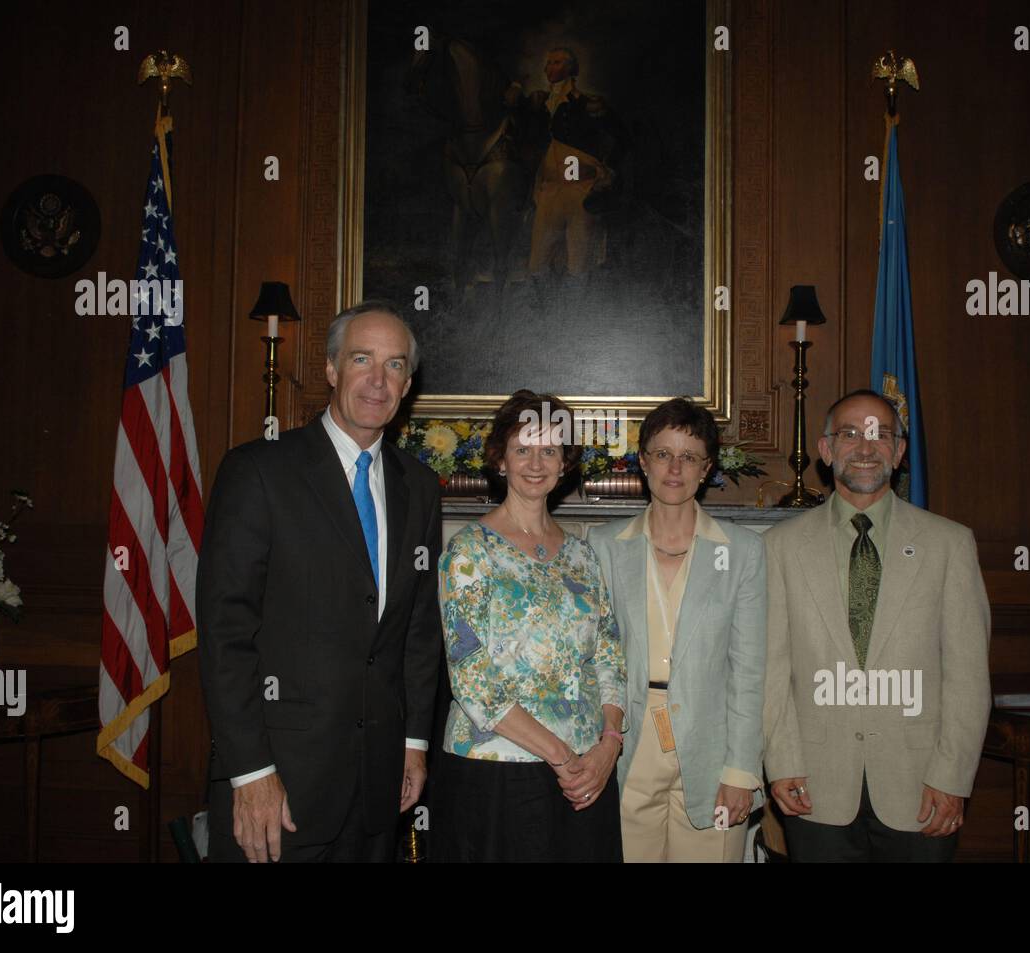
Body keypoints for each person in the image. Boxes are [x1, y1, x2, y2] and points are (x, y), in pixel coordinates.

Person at [197, 300, 443, 862]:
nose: (378, 380)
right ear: (332, 370)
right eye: (362, 359)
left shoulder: (421, 486)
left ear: (408, 383)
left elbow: (418, 632)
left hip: (380, 788)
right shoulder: (259, 470)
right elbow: (224, 633)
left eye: (396, 365)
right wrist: (251, 772)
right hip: (278, 789)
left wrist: (413, 742)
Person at [762, 389, 991, 862]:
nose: (865, 448)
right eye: (850, 434)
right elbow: (770, 670)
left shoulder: (950, 545)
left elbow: (968, 677)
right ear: (826, 451)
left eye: (880, 434)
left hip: (921, 788)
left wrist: (952, 778)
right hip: (815, 787)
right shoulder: (779, 548)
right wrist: (781, 764)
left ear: (900, 452)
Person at [433, 390, 626, 862]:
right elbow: (473, 681)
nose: (536, 463)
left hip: (586, 772)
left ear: (565, 464)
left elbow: (609, 655)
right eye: (523, 448)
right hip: (499, 769)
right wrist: (561, 756)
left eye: (550, 450)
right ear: (500, 459)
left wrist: (608, 747)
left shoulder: (582, 555)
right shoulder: (468, 552)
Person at [588, 398, 766, 862]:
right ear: (643, 460)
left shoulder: (742, 551)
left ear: (706, 468)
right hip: (627, 744)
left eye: (689, 457)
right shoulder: (603, 546)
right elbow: (590, 659)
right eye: (663, 454)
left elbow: (749, 672)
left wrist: (742, 771)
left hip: (713, 747)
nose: (674, 468)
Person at [524, 47, 627, 284]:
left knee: (578, 263)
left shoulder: (587, 103)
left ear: (572, 69)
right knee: (538, 263)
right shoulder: (538, 103)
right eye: (548, 62)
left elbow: (621, 138)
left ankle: (574, 313)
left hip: (581, 189)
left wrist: (607, 172)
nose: (550, 67)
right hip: (549, 190)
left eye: (557, 62)